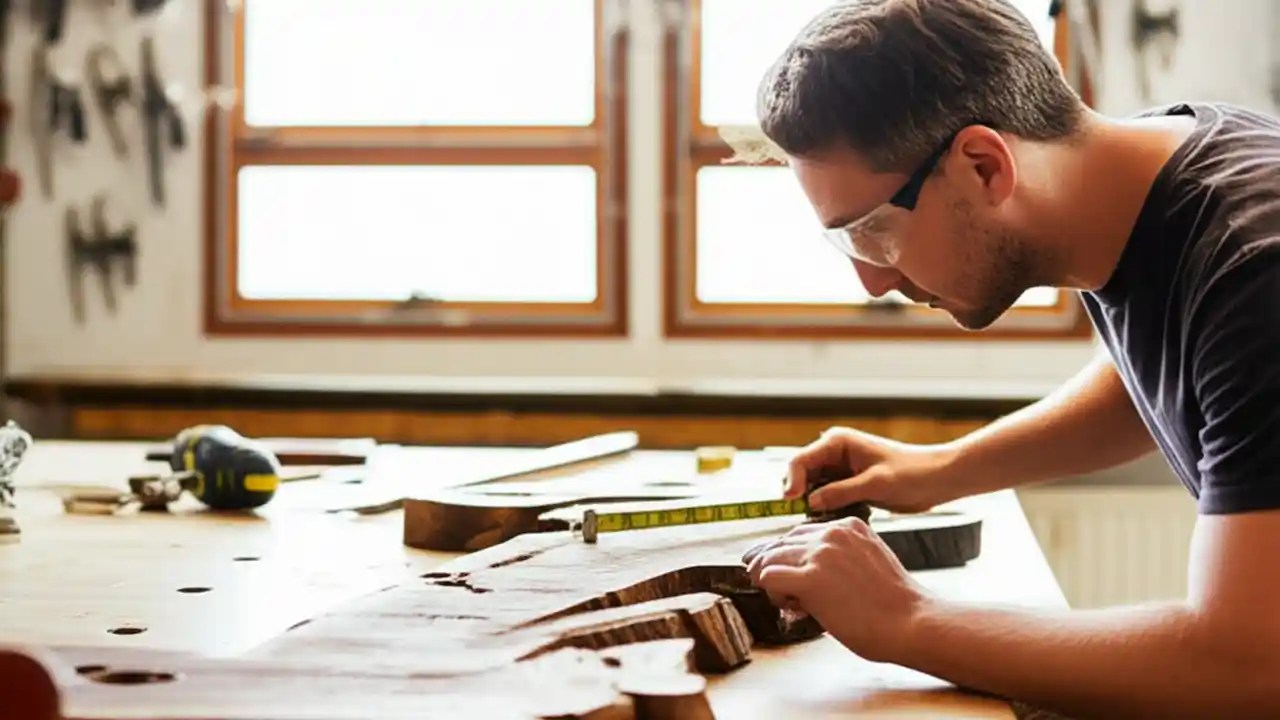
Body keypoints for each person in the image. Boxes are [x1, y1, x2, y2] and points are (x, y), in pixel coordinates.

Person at [740, 1, 1280, 718]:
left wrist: (907, 620)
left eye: (871, 234)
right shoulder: (1148, 187)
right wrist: (941, 469)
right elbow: (1171, 375)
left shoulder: (1257, 268)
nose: (871, 281)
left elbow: (1245, 665)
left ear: (984, 165)